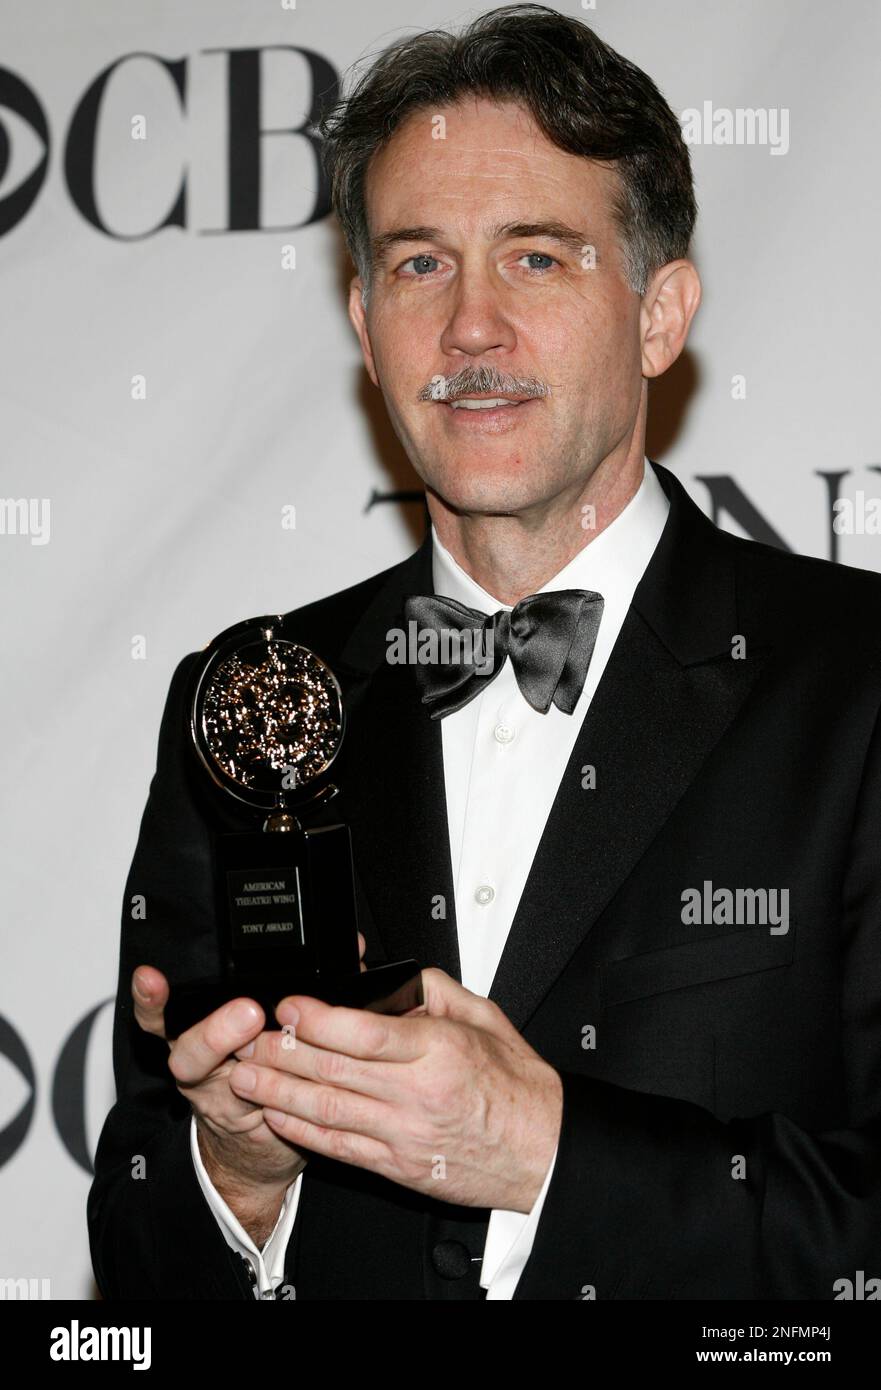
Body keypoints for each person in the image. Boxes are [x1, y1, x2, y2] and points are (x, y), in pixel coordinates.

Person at [88, 4, 881, 1300]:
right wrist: (238, 1170)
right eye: (417, 265)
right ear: (362, 321)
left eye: (535, 260)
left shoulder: (853, 686)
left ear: (658, 313)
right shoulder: (253, 698)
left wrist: (544, 1155)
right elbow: (134, 1250)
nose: (468, 330)